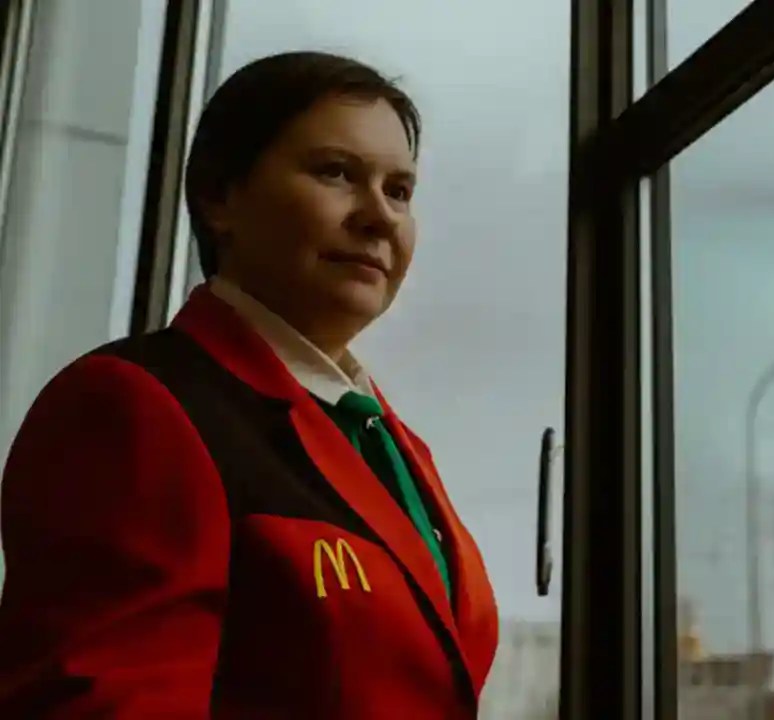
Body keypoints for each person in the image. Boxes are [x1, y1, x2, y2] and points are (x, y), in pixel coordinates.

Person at [0, 51, 497, 718]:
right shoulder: (135, 406)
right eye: (337, 173)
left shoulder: (393, 443)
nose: (379, 217)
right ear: (220, 197)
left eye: (399, 190)